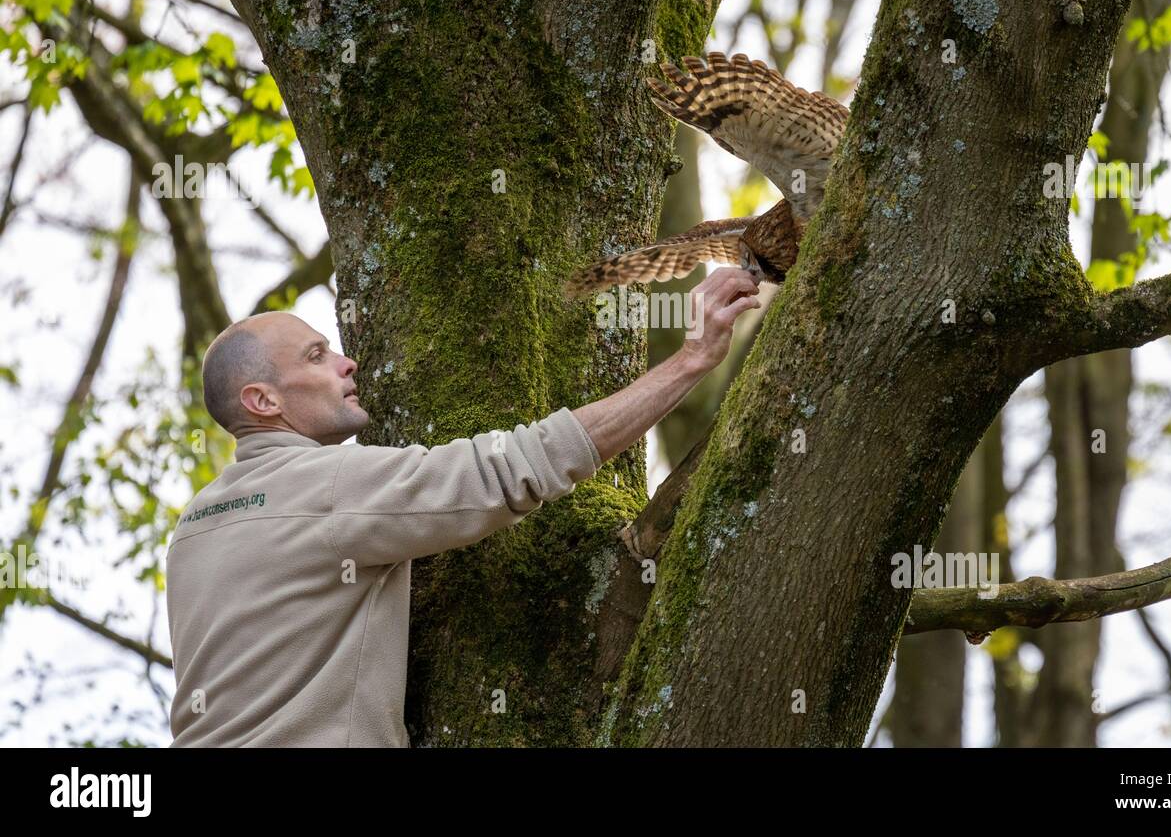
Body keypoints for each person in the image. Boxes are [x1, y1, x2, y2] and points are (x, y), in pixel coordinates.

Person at [166, 267, 760, 746]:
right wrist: (691, 360)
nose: (347, 363)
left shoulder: (192, 529)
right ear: (263, 399)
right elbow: (511, 468)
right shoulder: (323, 486)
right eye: (316, 356)